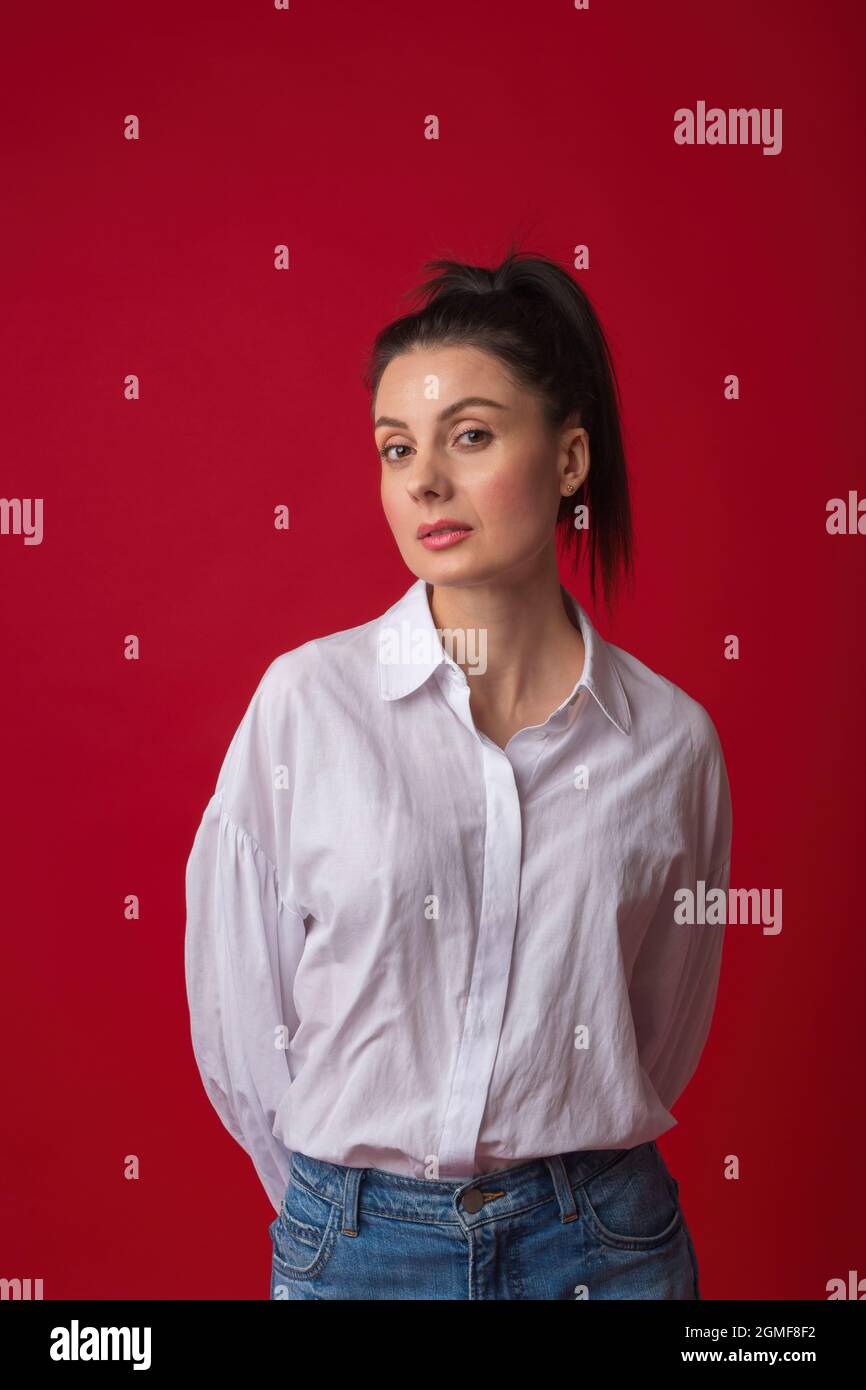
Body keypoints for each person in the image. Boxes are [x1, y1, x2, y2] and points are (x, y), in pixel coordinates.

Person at [184, 246, 732, 1301]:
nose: (423, 479)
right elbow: (240, 1015)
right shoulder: (307, 707)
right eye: (396, 449)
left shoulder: (669, 742)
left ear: (569, 460)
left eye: (469, 436)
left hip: (603, 1248)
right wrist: (343, 1214)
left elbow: (656, 1028)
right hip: (356, 1252)